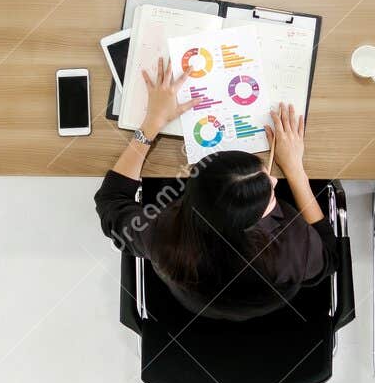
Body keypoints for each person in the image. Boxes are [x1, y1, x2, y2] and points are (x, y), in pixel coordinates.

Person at [94, 59, 332, 321]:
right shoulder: (290, 251)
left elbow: (111, 199)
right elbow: (328, 259)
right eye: (271, 190)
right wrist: (295, 170)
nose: (276, 181)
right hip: (257, 294)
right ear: (251, 222)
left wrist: (152, 122)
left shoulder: (164, 238)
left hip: (197, 299)